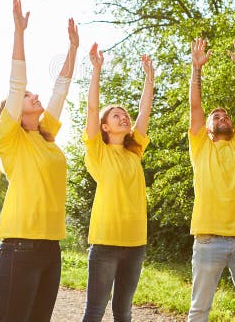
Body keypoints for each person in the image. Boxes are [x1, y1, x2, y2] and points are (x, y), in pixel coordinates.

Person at [0, 0, 78, 321]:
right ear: (11, 112)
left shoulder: (45, 134)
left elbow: (60, 90)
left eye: (31, 93)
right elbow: (16, 86)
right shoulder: (10, 140)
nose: (33, 94)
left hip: (50, 249)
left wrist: (73, 48)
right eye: (28, 97)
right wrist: (19, 33)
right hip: (20, 248)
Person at [187, 38, 235, 322]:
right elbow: (196, 108)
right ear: (206, 129)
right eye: (216, 116)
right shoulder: (201, 147)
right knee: (199, 309)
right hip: (208, 240)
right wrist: (196, 69)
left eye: (225, 116)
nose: (223, 118)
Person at [81, 43, 155, 322]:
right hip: (105, 243)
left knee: (123, 312)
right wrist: (96, 71)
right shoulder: (97, 152)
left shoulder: (134, 151)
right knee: (95, 311)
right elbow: (92, 108)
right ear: (104, 126)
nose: (124, 117)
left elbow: (144, 112)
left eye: (125, 115)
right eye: (116, 115)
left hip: (136, 243)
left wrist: (150, 77)